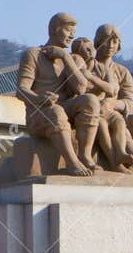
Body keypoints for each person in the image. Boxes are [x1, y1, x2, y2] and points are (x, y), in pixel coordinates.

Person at [15, 13, 99, 176]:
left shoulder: (72, 58)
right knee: (56, 111)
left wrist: (65, 57)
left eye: (74, 31)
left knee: (90, 100)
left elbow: (82, 88)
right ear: (54, 29)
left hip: (66, 108)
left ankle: (84, 155)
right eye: (68, 30)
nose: (72, 35)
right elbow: (21, 90)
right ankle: (72, 162)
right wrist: (39, 98)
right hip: (39, 114)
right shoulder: (33, 54)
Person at [86, 24, 133, 176]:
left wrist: (113, 104)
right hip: (92, 114)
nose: (110, 45)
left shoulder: (122, 71)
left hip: (114, 114)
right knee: (120, 128)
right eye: (106, 40)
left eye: (115, 41)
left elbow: (129, 101)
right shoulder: (87, 66)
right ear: (97, 41)